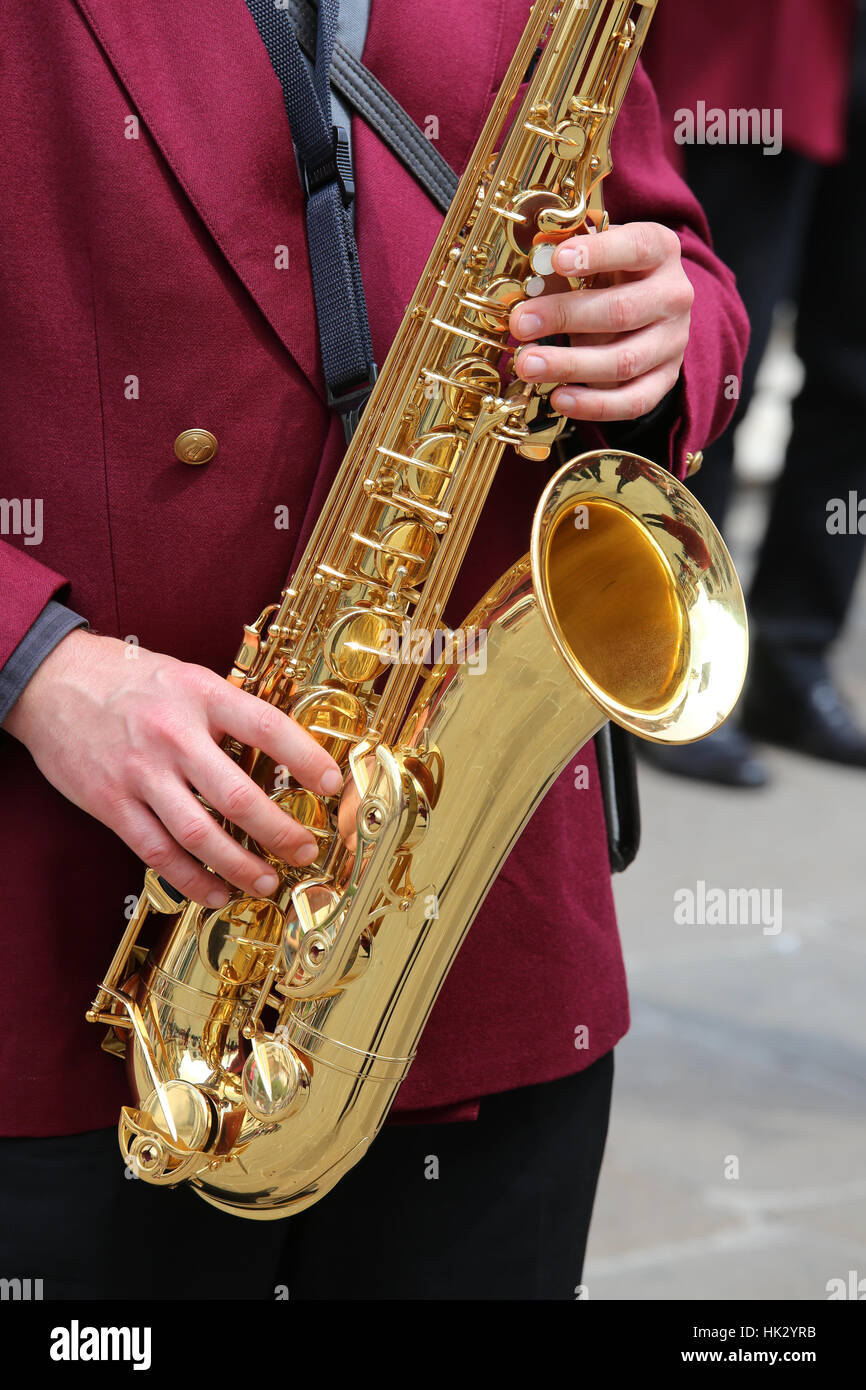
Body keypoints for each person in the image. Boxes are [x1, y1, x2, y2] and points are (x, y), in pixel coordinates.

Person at [0, 0, 747, 1300]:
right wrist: (35, 665)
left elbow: (673, 250)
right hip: (101, 961)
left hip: (489, 945)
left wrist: (673, 325)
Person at [642, 0, 866, 787]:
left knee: (857, 371)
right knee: (718, 357)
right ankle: (671, 662)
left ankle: (791, 657)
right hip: (756, 36)